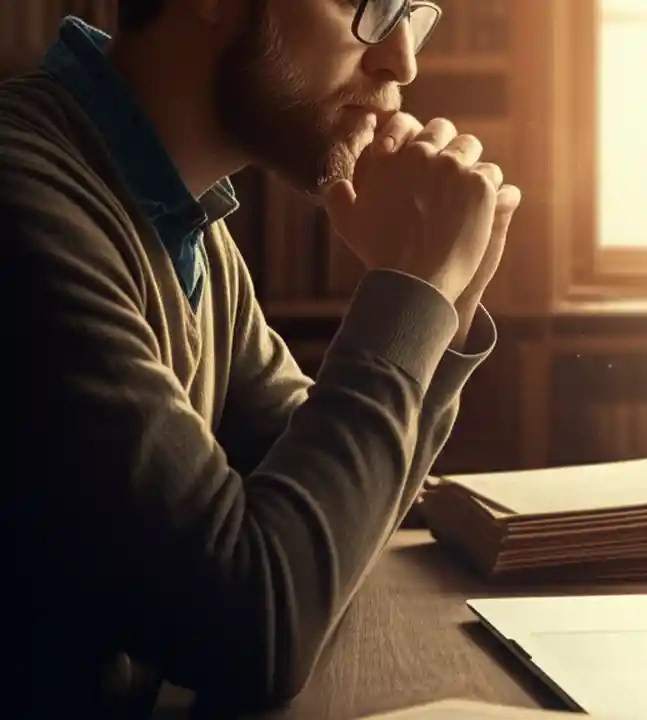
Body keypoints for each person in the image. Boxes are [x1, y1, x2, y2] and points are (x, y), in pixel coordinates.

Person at [0, 0, 521, 716]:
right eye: (367, 7)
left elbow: (324, 538)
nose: (402, 60)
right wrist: (412, 290)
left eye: (412, 13)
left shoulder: (187, 228)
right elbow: (254, 629)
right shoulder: (25, 204)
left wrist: (444, 304)